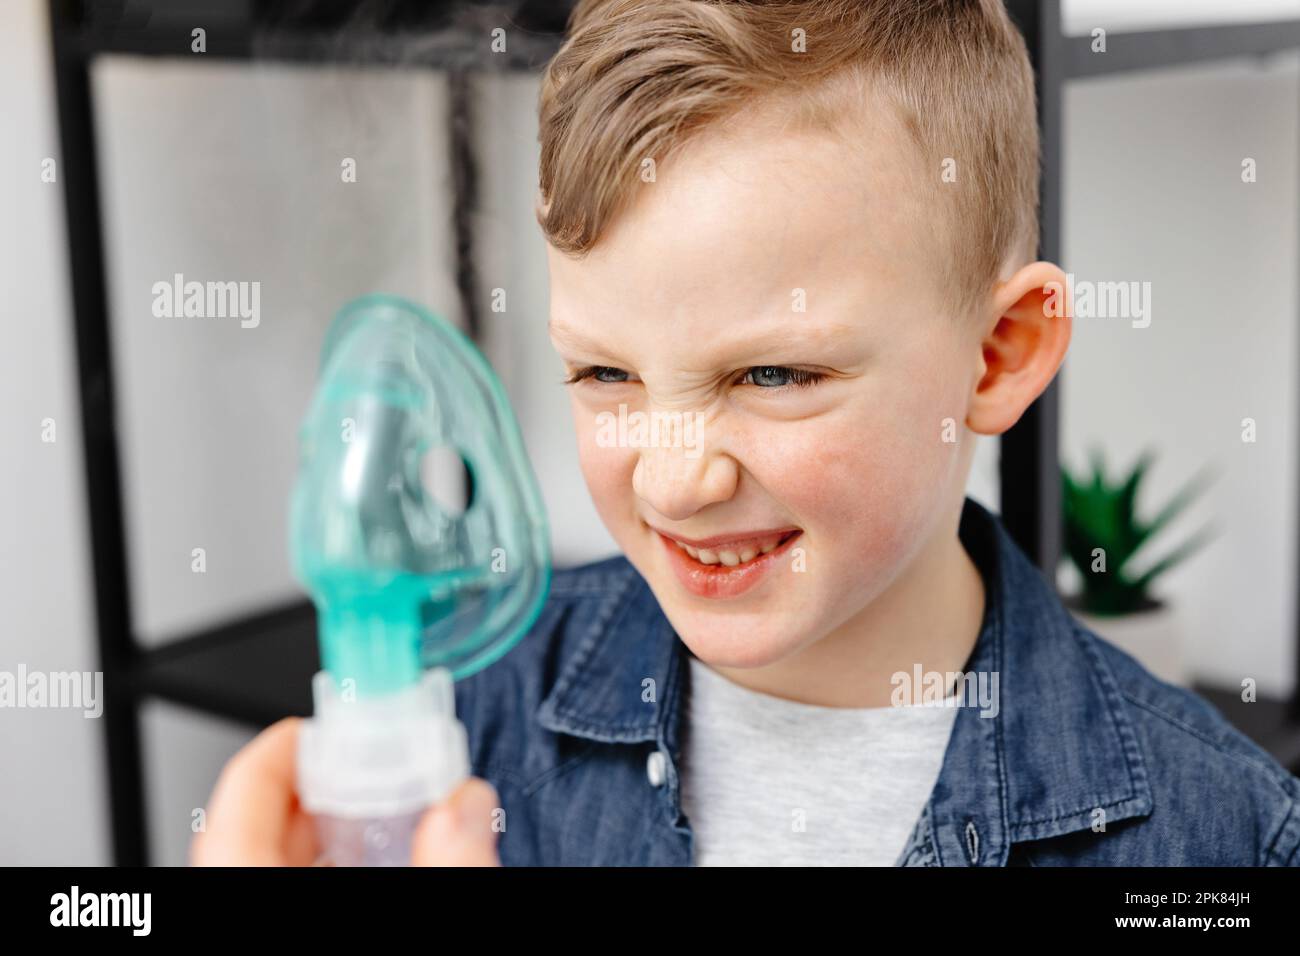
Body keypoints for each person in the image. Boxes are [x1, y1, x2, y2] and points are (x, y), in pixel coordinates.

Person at [195, 0, 1300, 866]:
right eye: (603, 370)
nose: (675, 483)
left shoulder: (1218, 835)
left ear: (999, 351)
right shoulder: (476, 722)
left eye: (774, 372)